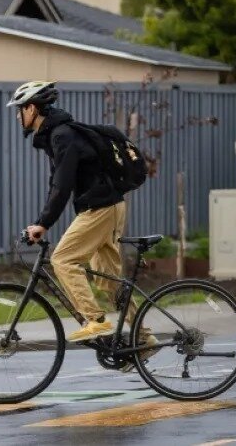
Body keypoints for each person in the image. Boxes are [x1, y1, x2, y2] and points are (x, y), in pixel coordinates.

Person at [11, 81, 156, 359]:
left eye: (20, 110)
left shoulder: (62, 135)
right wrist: (43, 221)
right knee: (109, 282)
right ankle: (143, 339)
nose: (18, 116)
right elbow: (57, 183)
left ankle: (95, 320)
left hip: (100, 208)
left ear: (31, 108)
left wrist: (43, 224)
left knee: (63, 260)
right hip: (109, 205)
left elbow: (62, 186)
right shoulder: (58, 134)